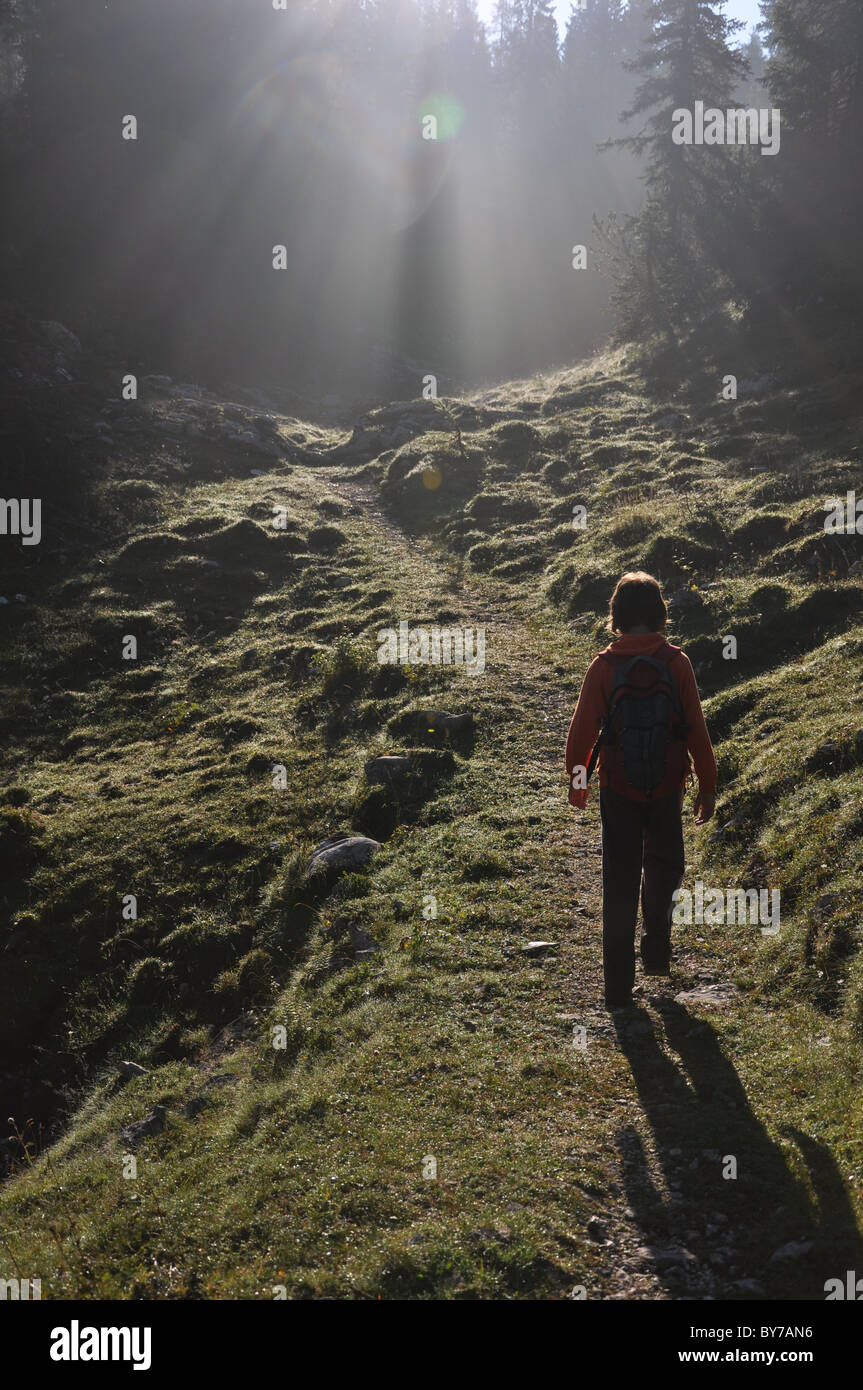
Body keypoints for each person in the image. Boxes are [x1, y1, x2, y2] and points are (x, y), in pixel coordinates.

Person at [564, 572, 717, 1008]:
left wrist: (580, 783)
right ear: (659, 615)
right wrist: (707, 787)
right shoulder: (676, 663)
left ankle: (616, 988)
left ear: (616, 617)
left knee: (620, 875)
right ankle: (656, 949)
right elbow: (697, 732)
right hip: (668, 786)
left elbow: (580, 733)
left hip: (618, 788)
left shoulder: (604, 667)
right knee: (665, 866)